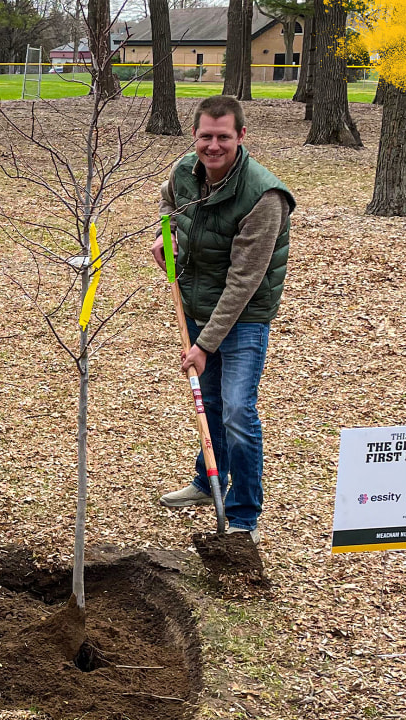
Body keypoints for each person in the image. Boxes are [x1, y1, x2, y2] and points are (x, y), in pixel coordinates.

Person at [151, 95, 295, 544]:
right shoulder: (183, 172)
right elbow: (167, 205)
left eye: (223, 138)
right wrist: (167, 237)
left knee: (236, 410)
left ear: (241, 137)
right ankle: (206, 481)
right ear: (195, 136)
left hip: (244, 315)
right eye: (205, 137)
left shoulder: (265, 197)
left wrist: (204, 345)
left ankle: (243, 516)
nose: (213, 146)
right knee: (208, 402)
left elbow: (244, 282)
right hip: (196, 304)